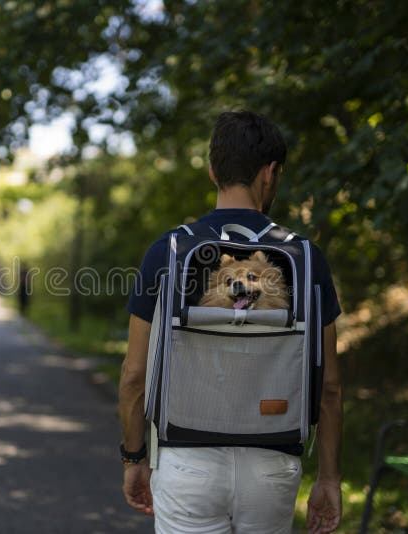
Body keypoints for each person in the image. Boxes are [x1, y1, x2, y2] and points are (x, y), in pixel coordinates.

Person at [118, 110, 343, 533]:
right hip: (273, 466)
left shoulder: (166, 251)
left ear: (211, 170)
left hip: (187, 464)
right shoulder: (306, 259)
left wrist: (134, 458)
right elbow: (328, 387)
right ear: (270, 173)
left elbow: (134, 376)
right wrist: (329, 477)